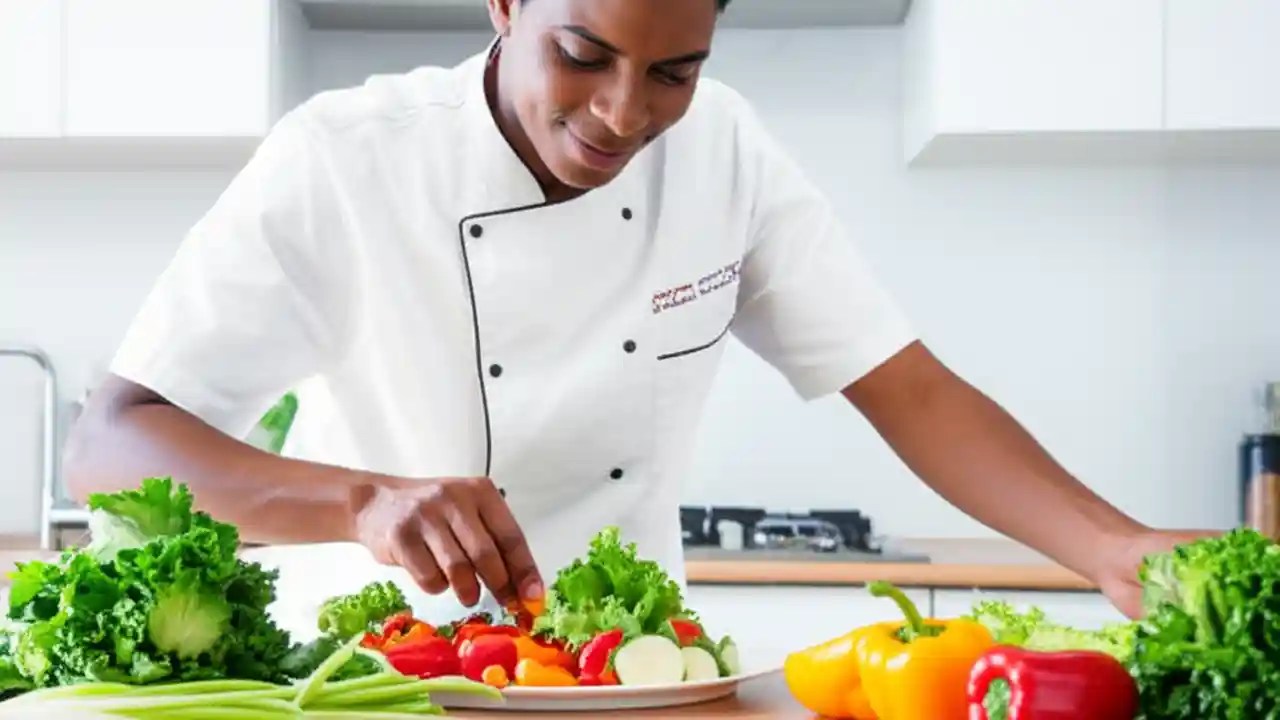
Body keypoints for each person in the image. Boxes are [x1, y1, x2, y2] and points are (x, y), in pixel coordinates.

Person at [65, 0, 1208, 630]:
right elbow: (109, 444)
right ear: (505, 3)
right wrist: (366, 500)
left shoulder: (726, 154)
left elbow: (902, 384)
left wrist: (1116, 548)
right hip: (376, 672)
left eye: (674, 72)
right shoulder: (344, 158)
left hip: (628, 670)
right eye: (582, 54)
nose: (621, 115)